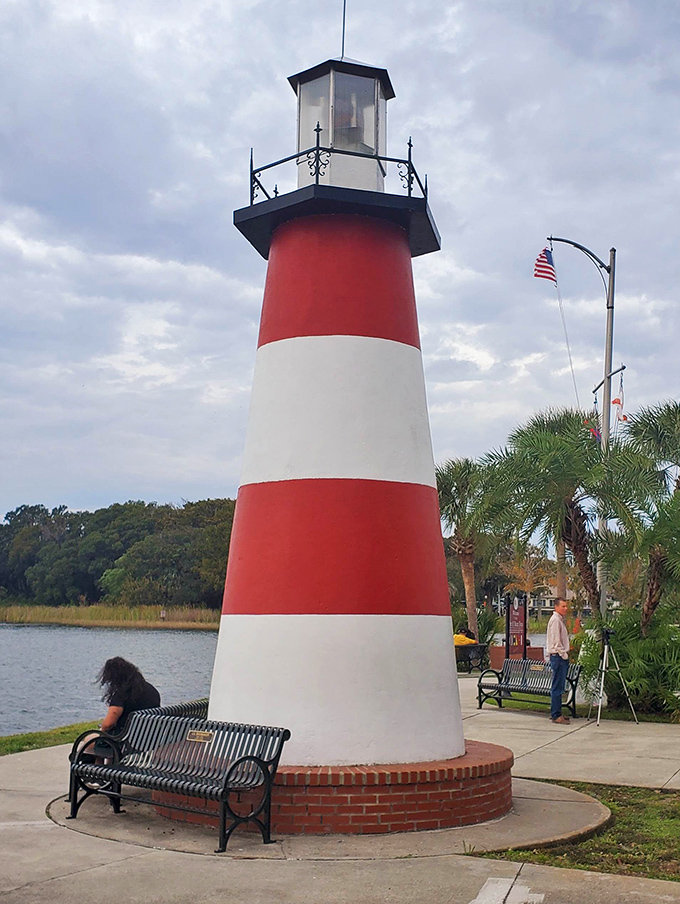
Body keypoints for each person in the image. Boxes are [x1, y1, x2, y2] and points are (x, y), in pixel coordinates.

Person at [97, 657, 160, 743]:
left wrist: (102, 730)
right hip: (149, 738)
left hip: (126, 740)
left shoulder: (121, 694)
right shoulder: (151, 690)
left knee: (89, 740)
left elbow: (109, 723)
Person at [546, 598, 570, 724]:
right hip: (558, 656)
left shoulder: (559, 620)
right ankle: (556, 714)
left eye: (566, 606)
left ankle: (558, 712)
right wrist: (563, 654)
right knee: (557, 686)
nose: (565, 608)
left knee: (559, 686)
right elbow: (556, 641)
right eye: (563, 606)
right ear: (556, 607)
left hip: (559, 656)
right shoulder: (555, 621)